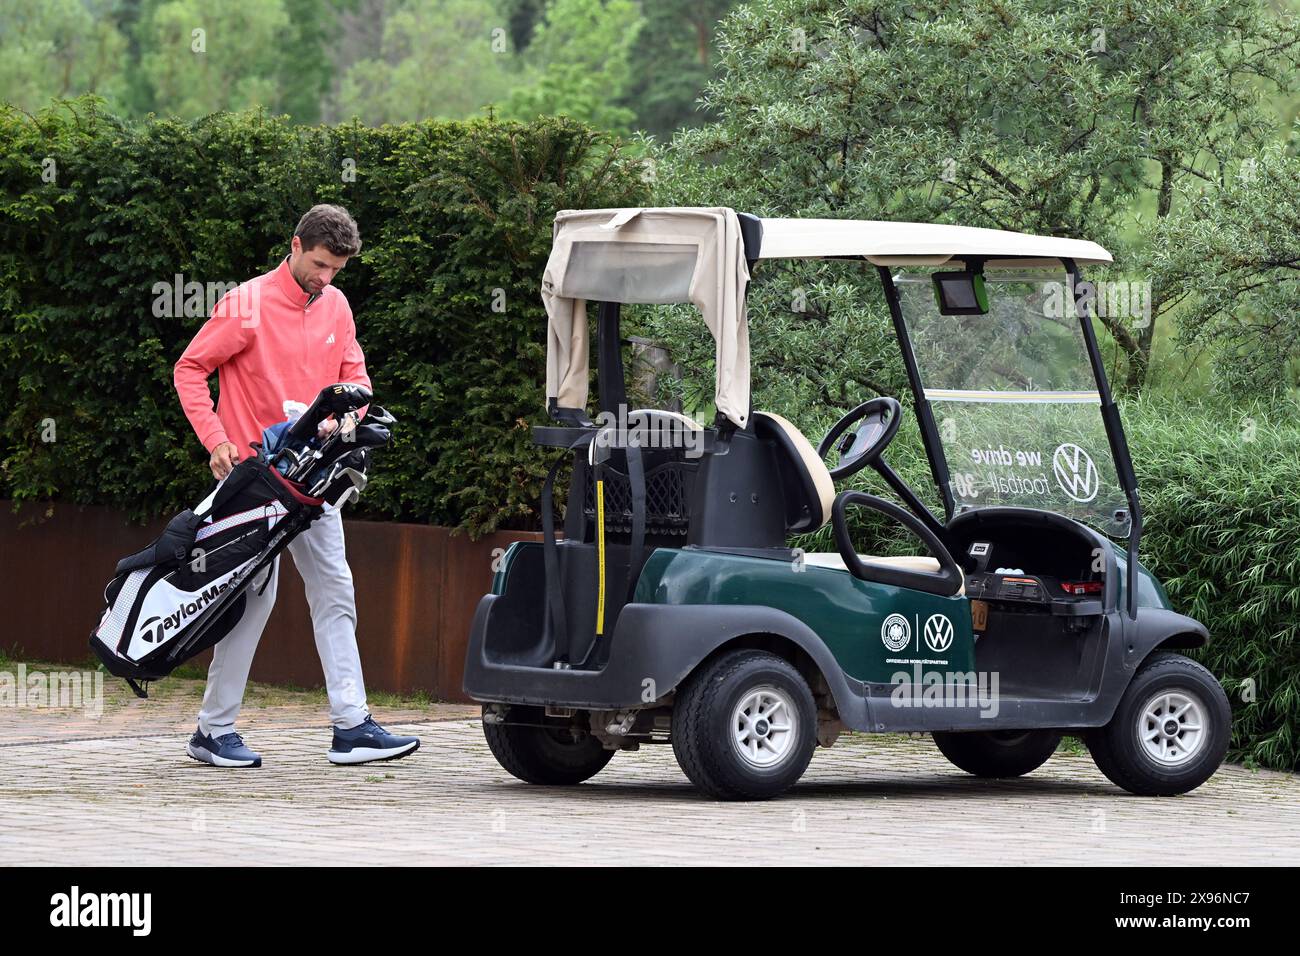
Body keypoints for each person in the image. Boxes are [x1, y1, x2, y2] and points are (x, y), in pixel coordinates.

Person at [173, 203, 419, 768]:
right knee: (252, 598)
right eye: (319, 264)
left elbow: (356, 379)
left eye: (336, 268)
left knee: (335, 588)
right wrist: (214, 439)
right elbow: (190, 369)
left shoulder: (336, 304)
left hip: (315, 476)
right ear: (295, 244)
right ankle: (212, 730)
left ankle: (351, 725)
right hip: (255, 479)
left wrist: (348, 415)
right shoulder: (246, 304)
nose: (325, 277)